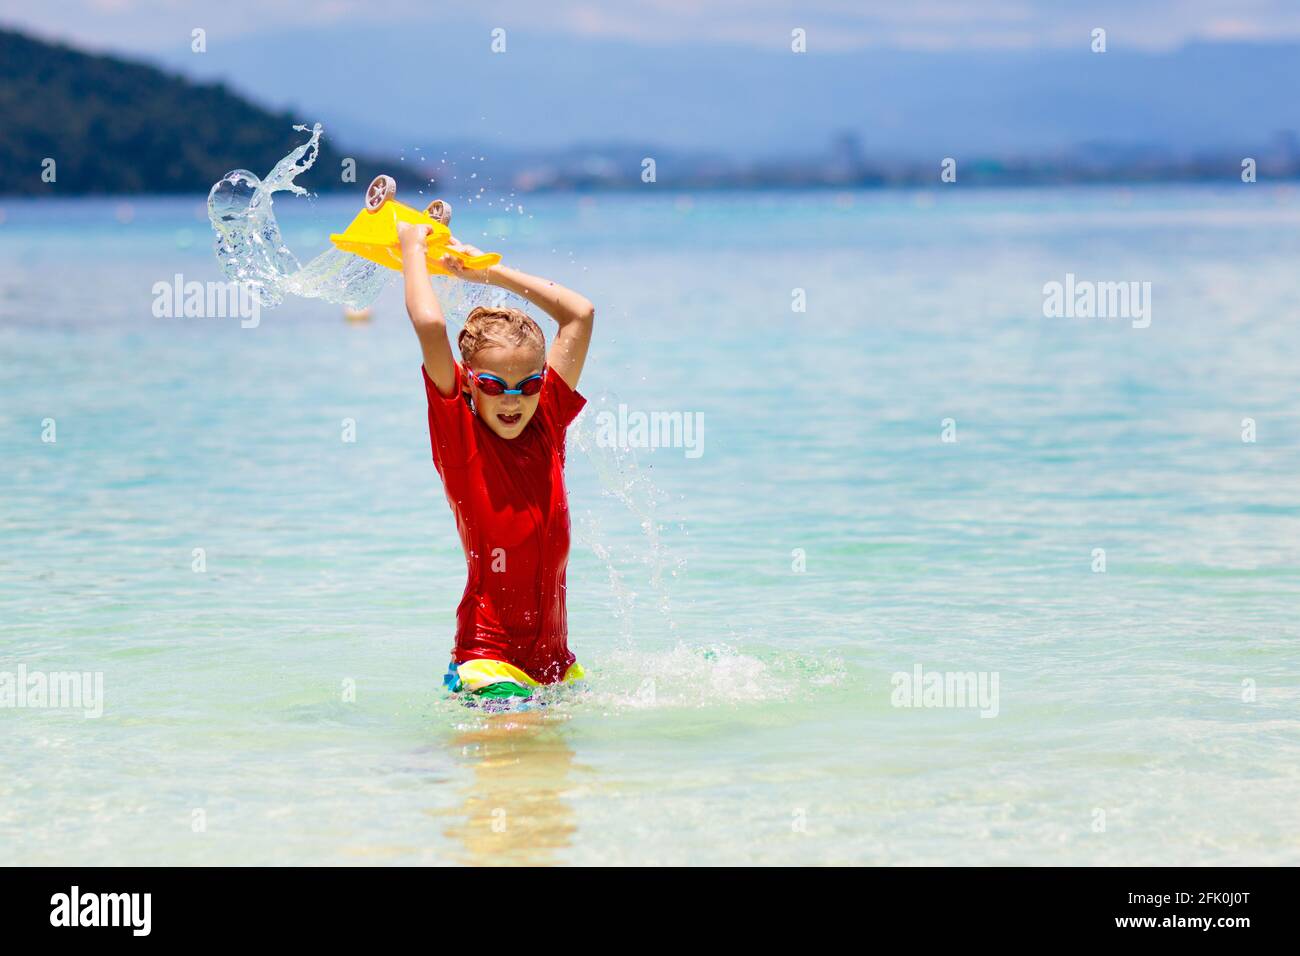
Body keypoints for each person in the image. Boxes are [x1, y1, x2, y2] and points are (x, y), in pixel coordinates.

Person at [397, 220, 595, 703]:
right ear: (469, 384)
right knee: (515, 763)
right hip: (488, 657)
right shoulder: (460, 438)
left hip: (553, 664)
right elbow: (429, 326)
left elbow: (580, 315)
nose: (513, 400)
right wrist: (411, 247)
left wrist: (492, 274)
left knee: (557, 772)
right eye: (493, 386)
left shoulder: (547, 421)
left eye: (527, 385)